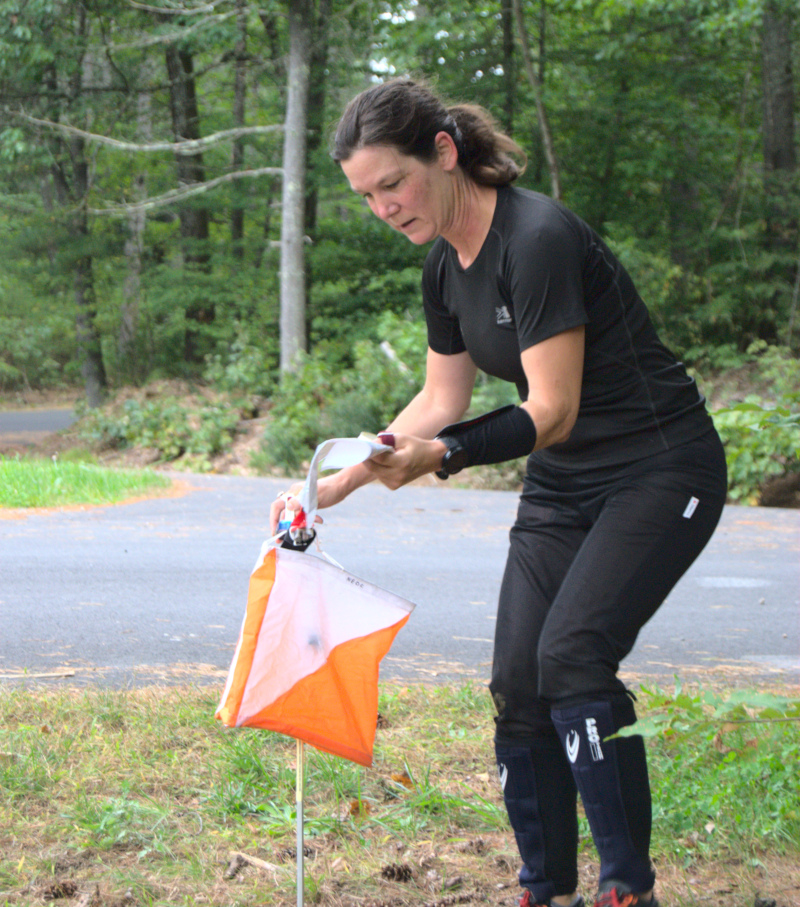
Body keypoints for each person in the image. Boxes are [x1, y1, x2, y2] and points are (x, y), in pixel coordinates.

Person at [270, 77, 727, 907]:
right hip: (565, 481)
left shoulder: (536, 237)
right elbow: (439, 400)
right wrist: (334, 482)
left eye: (393, 183)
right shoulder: (444, 268)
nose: (383, 208)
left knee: (573, 657)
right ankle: (544, 888)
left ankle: (626, 889)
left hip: (660, 466)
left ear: (443, 153)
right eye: (366, 196)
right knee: (519, 682)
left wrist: (440, 456)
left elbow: (551, 410)